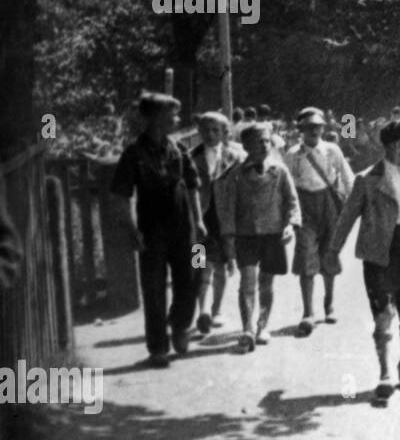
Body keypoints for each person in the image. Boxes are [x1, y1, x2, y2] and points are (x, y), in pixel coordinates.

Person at [331, 118, 400, 400]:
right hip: (380, 251)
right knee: (383, 312)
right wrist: (332, 253)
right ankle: (385, 372)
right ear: (397, 145)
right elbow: (346, 219)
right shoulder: (368, 179)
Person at [109, 93, 205, 367]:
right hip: (152, 230)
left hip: (185, 226)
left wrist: (198, 221)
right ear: (156, 118)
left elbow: (193, 185)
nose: (177, 119)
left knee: (194, 273)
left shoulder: (180, 149)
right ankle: (158, 347)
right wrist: (131, 229)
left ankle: (180, 324)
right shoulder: (133, 153)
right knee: (153, 287)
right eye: (173, 115)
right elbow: (120, 196)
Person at [216, 123, 302, 353]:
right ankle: (246, 329)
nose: (264, 145)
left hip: (272, 235)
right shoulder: (236, 175)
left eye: (266, 140)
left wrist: (290, 226)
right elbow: (228, 208)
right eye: (258, 141)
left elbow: (292, 202)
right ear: (246, 146)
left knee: (267, 284)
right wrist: (229, 237)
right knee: (247, 281)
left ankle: (262, 326)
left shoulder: (280, 170)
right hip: (246, 235)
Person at [284, 107, 354, 334]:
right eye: (308, 127)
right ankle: (308, 312)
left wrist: (354, 205)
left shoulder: (332, 150)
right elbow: (286, 185)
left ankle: (329, 303)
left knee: (329, 254)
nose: (313, 131)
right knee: (306, 256)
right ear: (301, 130)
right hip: (304, 206)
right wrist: (288, 217)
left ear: (323, 128)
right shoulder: (293, 154)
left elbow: (347, 176)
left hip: (329, 205)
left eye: (317, 127)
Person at [191, 111, 244, 337]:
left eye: (216, 130)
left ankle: (217, 309)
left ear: (225, 133)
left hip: (224, 221)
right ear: (199, 133)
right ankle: (202, 310)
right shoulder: (191, 158)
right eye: (206, 130)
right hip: (199, 222)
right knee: (200, 266)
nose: (211, 135)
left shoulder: (235, 157)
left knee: (221, 266)